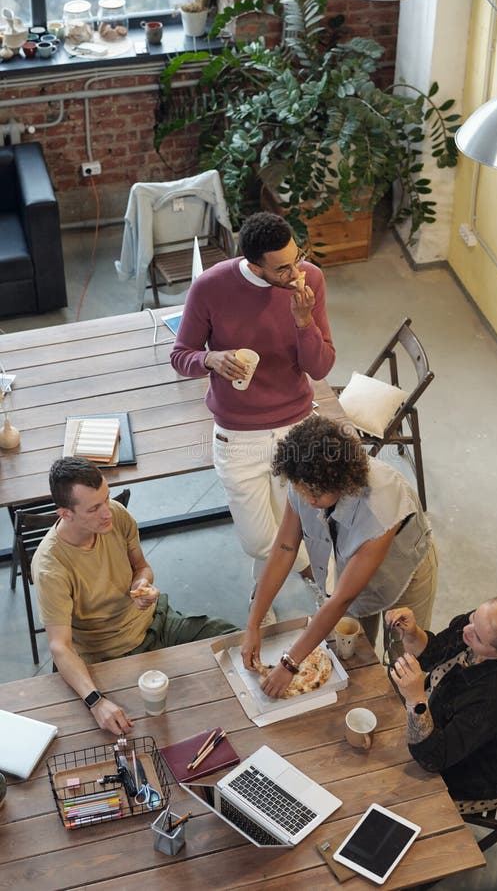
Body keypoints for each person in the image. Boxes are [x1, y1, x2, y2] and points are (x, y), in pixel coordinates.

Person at [170, 212, 335, 604]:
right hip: (238, 436)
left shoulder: (309, 281)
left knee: (302, 526)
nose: (294, 272)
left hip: (296, 428)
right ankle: (306, 578)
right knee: (261, 540)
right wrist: (210, 360)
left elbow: (321, 367)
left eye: (297, 258)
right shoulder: (211, 287)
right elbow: (180, 355)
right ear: (253, 263)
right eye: (282, 268)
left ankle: (260, 601)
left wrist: (304, 322)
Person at [32, 457, 238, 736]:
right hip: (107, 653)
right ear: (65, 514)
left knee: (236, 642)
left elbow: (142, 567)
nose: (107, 512)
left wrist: (141, 585)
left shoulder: (116, 516)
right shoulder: (50, 567)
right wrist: (95, 702)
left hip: (155, 623)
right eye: (94, 508)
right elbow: (60, 647)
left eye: (106, 498)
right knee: (142, 730)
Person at [241, 415, 438, 697]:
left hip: (404, 573)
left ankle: (400, 711)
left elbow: (342, 597)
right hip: (353, 566)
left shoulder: (380, 504)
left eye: (315, 494)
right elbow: (284, 548)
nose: (307, 500)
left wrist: (289, 663)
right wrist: (253, 624)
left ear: (342, 481)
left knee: (403, 660)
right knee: (352, 651)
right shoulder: (305, 480)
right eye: (301, 490)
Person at [385, 595, 497, 812]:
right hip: (454, 728)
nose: (466, 631)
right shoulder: (488, 624)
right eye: (472, 618)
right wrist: (413, 633)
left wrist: (416, 700)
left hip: (476, 778)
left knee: (387, 793)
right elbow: (436, 653)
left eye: (477, 637)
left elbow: (433, 759)